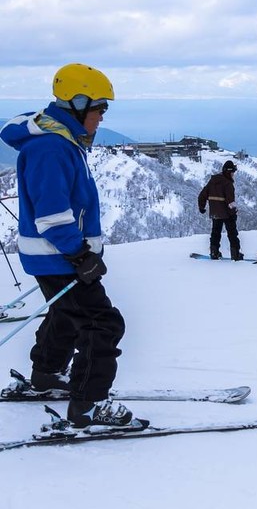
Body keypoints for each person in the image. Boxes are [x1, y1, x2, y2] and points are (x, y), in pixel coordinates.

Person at [0, 63, 145, 428]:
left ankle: (46, 375)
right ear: (78, 104)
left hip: (52, 256)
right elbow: (52, 215)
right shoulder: (52, 147)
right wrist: (80, 254)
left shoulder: (60, 138)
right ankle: (89, 406)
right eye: (100, 109)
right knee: (103, 324)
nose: (102, 117)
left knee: (66, 314)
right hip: (59, 256)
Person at [198, 160, 243, 260]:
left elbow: (202, 195)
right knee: (232, 233)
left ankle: (214, 253)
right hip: (227, 213)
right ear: (229, 172)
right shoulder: (228, 184)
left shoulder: (212, 181)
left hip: (215, 213)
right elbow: (230, 202)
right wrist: (233, 213)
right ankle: (235, 254)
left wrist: (202, 207)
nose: (233, 174)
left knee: (215, 233)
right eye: (232, 172)